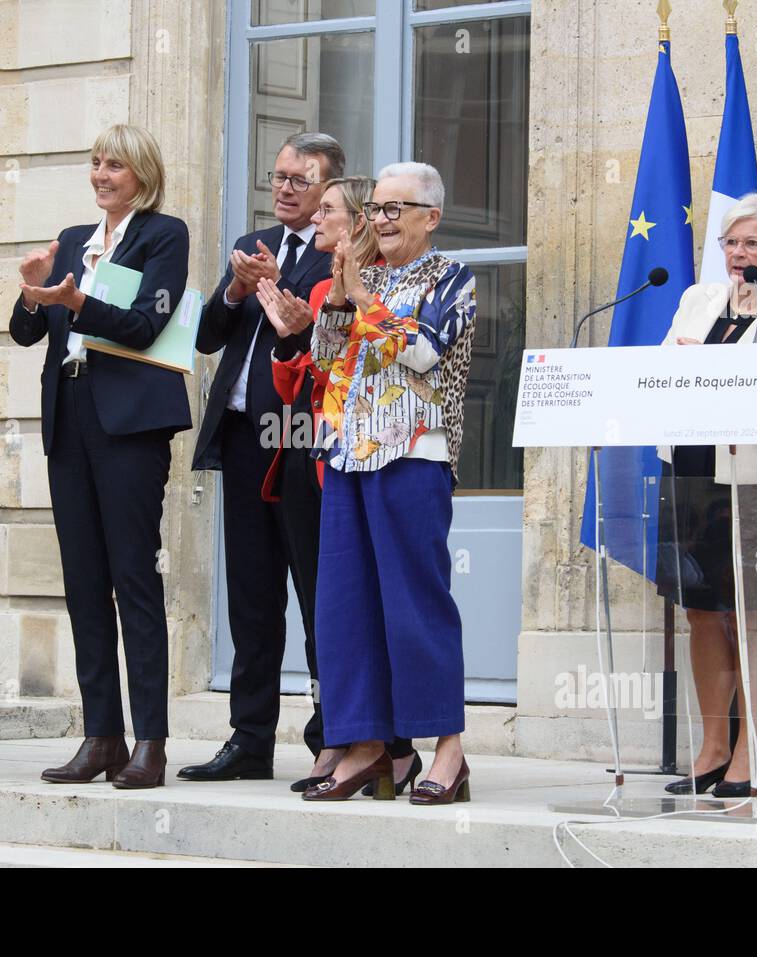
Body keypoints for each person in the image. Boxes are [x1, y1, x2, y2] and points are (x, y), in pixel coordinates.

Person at [10, 124, 192, 790]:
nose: (101, 174)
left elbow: (149, 323)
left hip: (130, 425)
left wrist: (79, 300)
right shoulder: (73, 241)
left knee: (133, 580)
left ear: (141, 173)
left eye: (114, 164)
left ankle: (150, 740)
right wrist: (33, 290)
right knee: (84, 584)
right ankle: (101, 734)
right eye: (94, 162)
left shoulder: (163, 234)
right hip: (72, 416)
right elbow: (27, 331)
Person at [301, 162, 476, 805]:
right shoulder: (360, 278)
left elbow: (423, 350)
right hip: (347, 452)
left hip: (414, 452)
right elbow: (324, 359)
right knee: (346, 606)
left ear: (431, 217)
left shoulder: (452, 278)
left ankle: (447, 751)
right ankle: (367, 746)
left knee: (415, 605)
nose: (382, 220)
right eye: (375, 208)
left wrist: (362, 298)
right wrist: (342, 298)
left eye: (395, 209)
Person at [180, 133, 341, 784]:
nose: (283, 189)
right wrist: (235, 292)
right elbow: (204, 336)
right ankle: (249, 740)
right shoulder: (253, 247)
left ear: (329, 188)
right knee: (250, 596)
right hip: (246, 436)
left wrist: (296, 318)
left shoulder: (338, 252)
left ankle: (334, 738)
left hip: (303, 439)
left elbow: (331, 348)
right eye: (277, 177)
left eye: (300, 180)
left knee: (317, 591)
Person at [255, 176, 422, 796]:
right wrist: (292, 337)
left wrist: (321, 326)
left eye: (327, 209)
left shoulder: (375, 285)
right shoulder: (322, 284)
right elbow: (301, 384)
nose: (314, 217)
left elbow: (393, 360)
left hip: (375, 456)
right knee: (332, 609)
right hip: (314, 451)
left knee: (373, 605)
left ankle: (391, 745)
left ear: (356, 224)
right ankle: (342, 736)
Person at [654, 193, 757, 799]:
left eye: (752, 244)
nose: (738, 254)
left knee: (753, 612)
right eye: (730, 242)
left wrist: (713, 368)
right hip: (689, 466)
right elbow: (662, 368)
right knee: (700, 609)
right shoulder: (697, 300)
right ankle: (713, 746)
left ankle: (753, 752)